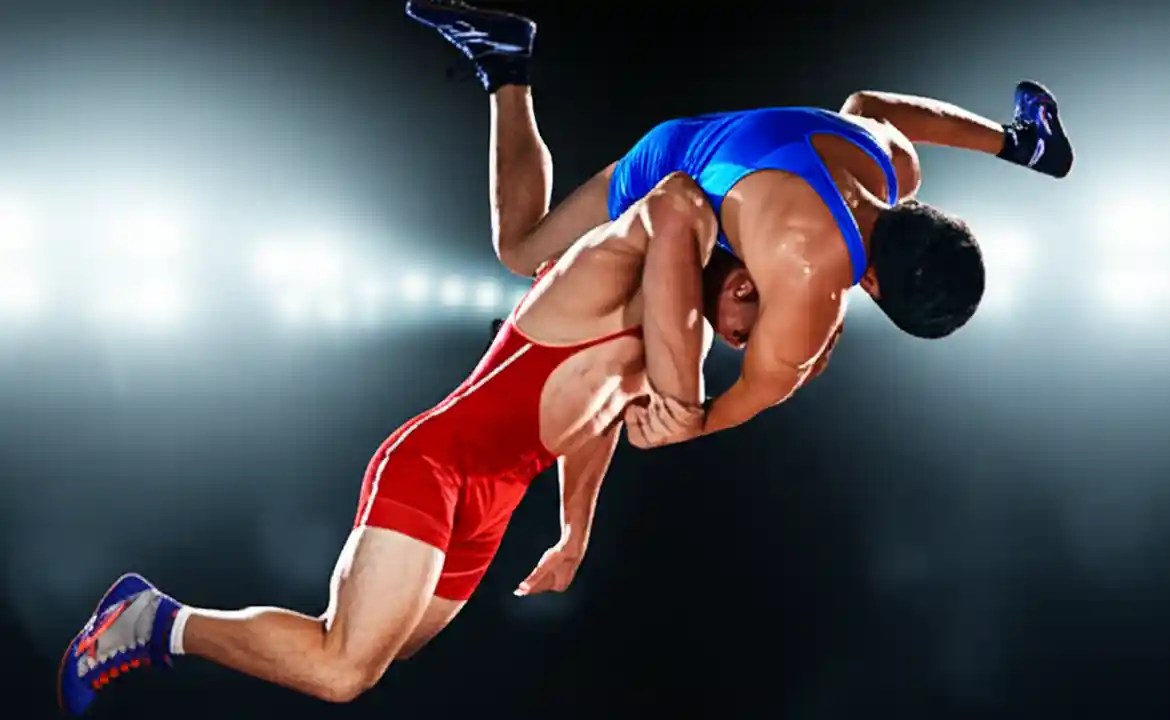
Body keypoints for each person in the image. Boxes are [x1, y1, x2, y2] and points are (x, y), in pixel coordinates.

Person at [57, 167, 760, 714]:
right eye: (750, 307)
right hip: (438, 463)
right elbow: (672, 201)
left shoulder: (679, 334)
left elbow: (601, 414)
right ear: (733, 267)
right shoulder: (621, 262)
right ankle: (156, 620)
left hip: (496, 496)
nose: (747, 336)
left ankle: (164, 624)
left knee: (384, 650)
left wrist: (574, 531)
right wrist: (692, 393)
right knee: (342, 670)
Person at [405, 0, 1074, 448]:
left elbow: (872, 102)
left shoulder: (889, 161)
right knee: (529, 255)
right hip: (668, 185)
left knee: (657, 298)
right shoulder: (814, 285)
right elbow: (750, 395)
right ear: (872, 286)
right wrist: (682, 427)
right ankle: (506, 69)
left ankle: (1027, 144)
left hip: (694, 145)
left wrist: (1010, 144)